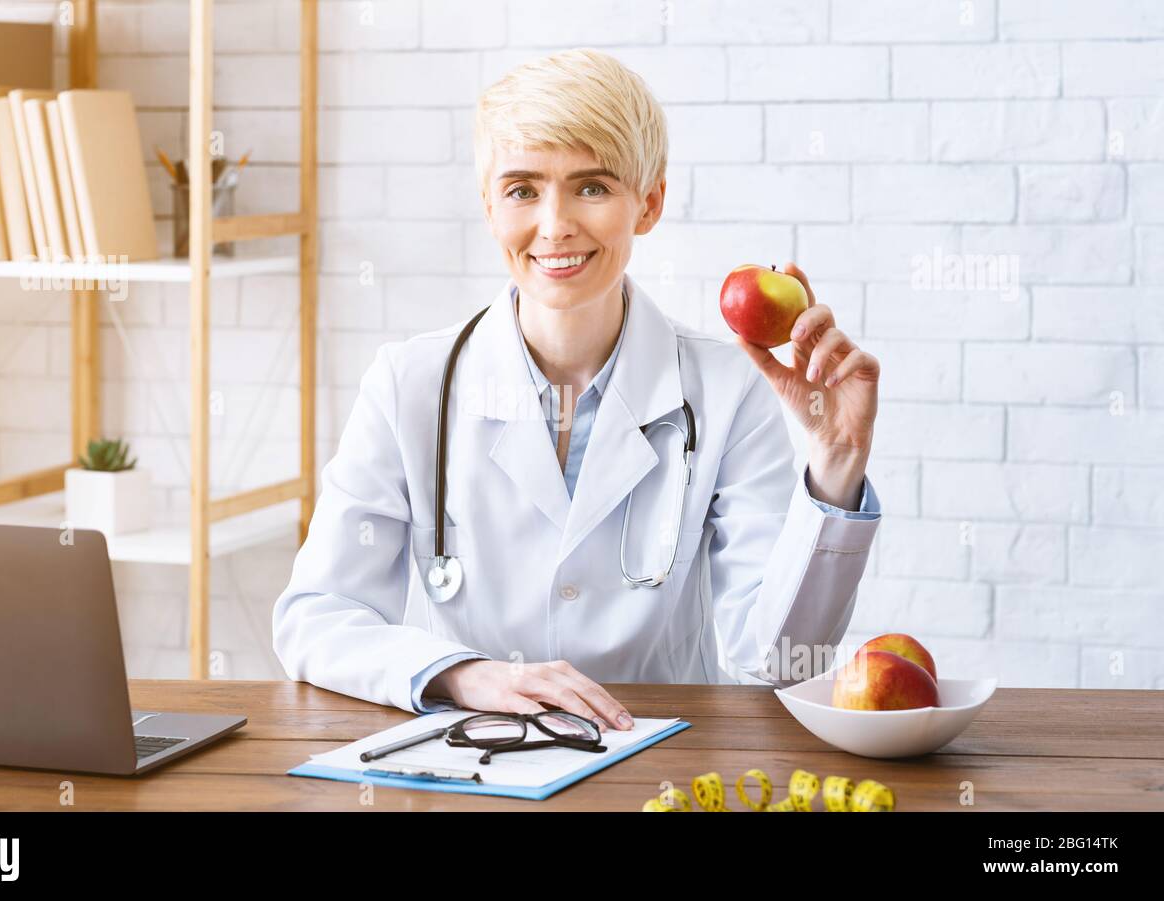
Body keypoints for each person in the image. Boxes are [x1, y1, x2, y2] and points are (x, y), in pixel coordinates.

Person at [273, 48, 882, 734]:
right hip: (474, 758)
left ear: (647, 202)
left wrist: (835, 465)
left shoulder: (724, 389)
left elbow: (776, 662)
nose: (555, 223)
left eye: (591, 186)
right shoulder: (410, 385)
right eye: (523, 189)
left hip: (657, 770)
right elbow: (315, 618)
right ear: (489, 204)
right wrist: (465, 674)